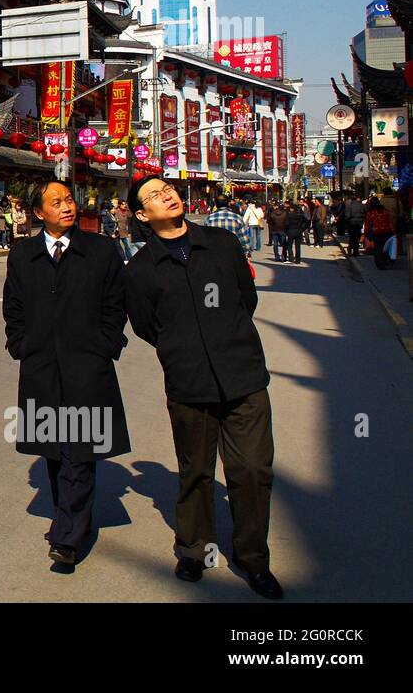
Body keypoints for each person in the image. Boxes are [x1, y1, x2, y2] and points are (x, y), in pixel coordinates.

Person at [123, 175, 282, 600]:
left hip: (243, 376)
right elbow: (145, 325)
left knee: (251, 471)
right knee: (195, 470)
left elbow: (246, 298)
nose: (167, 195)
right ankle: (193, 549)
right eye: (153, 195)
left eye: (166, 188)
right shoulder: (140, 270)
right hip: (189, 382)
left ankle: (253, 559)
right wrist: (182, 348)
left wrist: (225, 337)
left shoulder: (221, 244)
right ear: (142, 215)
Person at [3, 180, 130, 570]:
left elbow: (116, 304)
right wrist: (19, 343)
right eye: (56, 202)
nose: (67, 207)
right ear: (38, 213)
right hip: (41, 367)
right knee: (55, 449)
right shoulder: (23, 254)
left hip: (87, 367)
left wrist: (107, 343)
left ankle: (67, 537)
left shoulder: (100, 250)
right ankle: (71, 518)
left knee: (79, 451)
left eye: (69, 199)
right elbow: (14, 306)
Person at [205, 194, 253, 259]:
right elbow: (244, 240)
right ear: (228, 203)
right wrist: (247, 253)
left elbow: (206, 239)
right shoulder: (237, 218)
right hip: (233, 255)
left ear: (216, 205)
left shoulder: (209, 219)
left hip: (215, 255)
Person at [364, 197, 396, 270]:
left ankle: (380, 263)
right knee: (385, 247)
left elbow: (367, 223)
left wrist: (366, 233)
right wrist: (393, 230)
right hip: (386, 231)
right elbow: (390, 221)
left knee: (377, 248)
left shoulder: (370, 213)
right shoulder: (385, 211)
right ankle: (384, 260)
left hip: (376, 232)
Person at [343, 192, 367, 256]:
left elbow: (347, 216)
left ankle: (351, 250)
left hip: (351, 224)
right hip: (359, 224)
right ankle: (355, 251)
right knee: (356, 238)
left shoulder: (349, 206)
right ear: (358, 199)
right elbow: (365, 214)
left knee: (352, 238)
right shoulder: (362, 206)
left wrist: (347, 223)